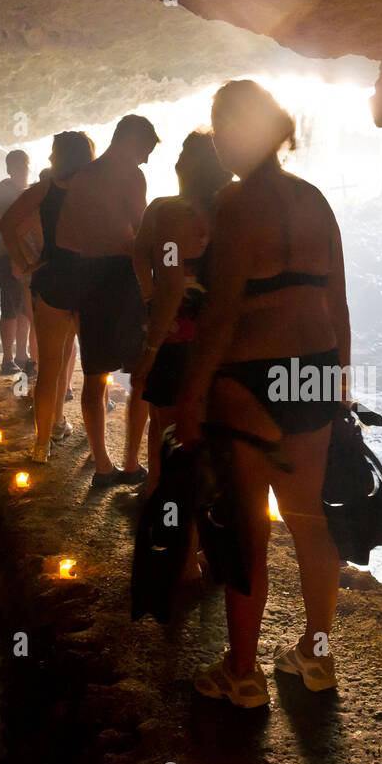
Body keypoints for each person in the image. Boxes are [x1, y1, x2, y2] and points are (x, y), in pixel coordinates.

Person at [176, 81, 352, 709]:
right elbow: (338, 303)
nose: (218, 141)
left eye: (221, 128)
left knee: (246, 527)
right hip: (315, 370)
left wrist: (194, 396)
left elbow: (222, 315)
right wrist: (340, 387)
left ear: (235, 134)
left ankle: (243, 672)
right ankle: (316, 656)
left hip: (250, 377)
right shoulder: (316, 201)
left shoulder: (233, 204)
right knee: (309, 519)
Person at [131, 131, 231, 583]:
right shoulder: (234, 209)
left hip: (178, 340)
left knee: (171, 448)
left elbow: (166, 279)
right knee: (215, 450)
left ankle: (182, 554)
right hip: (226, 342)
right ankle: (214, 554)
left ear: (183, 167)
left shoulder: (169, 212)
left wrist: (151, 345)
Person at [57, 114, 157, 487]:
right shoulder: (131, 176)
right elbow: (142, 233)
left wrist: (94, 248)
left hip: (88, 278)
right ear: (131, 141)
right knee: (142, 371)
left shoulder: (82, 177)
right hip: (123, 278)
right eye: (145, 150)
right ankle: (132, 464)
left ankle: (102, 465)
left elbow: (65, 237)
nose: (146, 159)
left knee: (96, 373)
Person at [0, 132, 95, 461]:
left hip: (52, 278)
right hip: (89, 279)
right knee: (92, 366)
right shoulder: (95, 188)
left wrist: (25, 262)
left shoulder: (46, 188)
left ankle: (41, 447)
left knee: (50, 367)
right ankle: (97, 450)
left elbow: (8, 222)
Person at [0, 150, 35, 374]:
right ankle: (7, 360)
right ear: (8, 169)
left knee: (26, 310)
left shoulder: (34, 189)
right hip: (8, 257)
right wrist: (17, 210)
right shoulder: (3, 189)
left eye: (24, 164)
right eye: (17, 165)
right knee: (10, 309)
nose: (22, 169)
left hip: (31, 257)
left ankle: (22, 356)